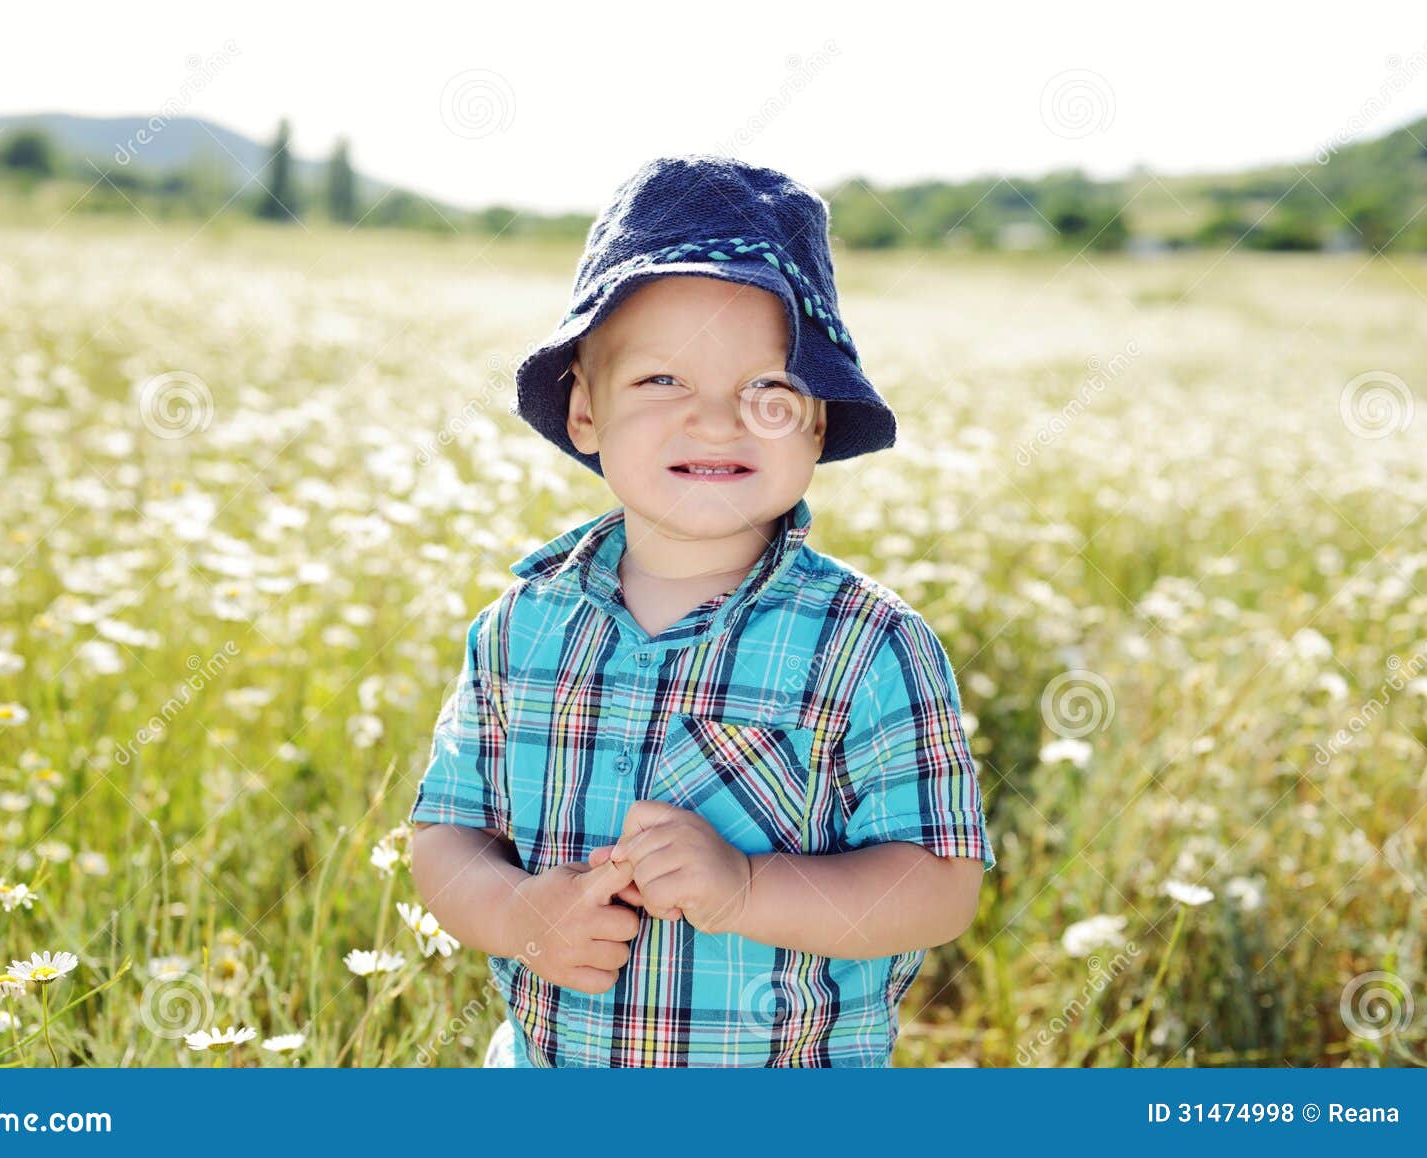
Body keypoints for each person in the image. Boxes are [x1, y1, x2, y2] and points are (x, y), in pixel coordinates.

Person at [408, 154, 996, 1067]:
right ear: (585, 414)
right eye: (661, 382)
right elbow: (448, 835)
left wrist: (746, 888)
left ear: (816, 423)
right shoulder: (519, 628)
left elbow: (937, 886)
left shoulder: (871, 646)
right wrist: (517, 915)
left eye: (768, 392)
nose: (717, 421)